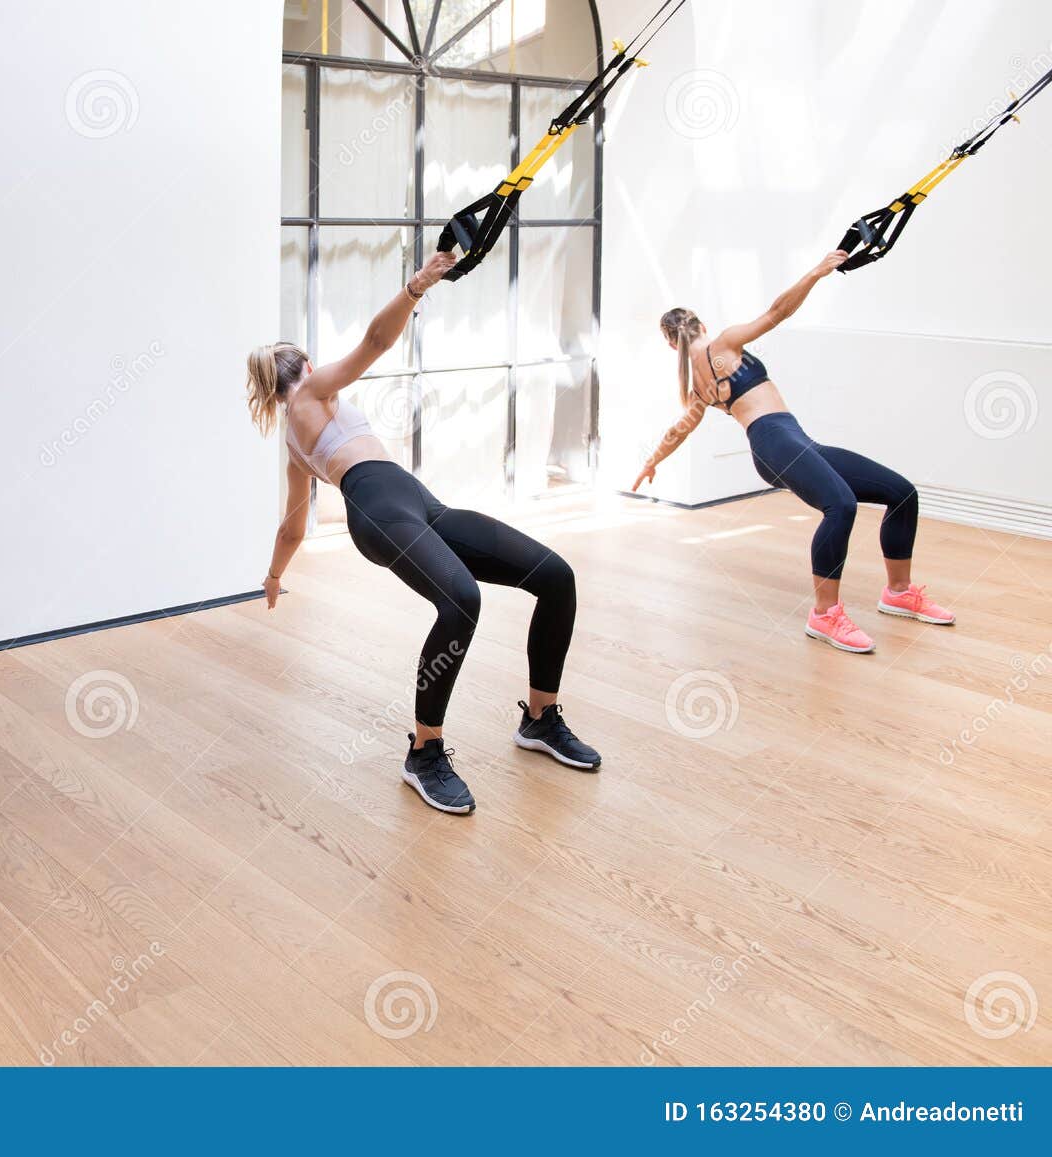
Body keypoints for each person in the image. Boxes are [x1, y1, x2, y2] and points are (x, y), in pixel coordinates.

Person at [246, 251, 601, 816]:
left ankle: (540, 719)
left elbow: (292, 525)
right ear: (307, 368)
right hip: (381, 513)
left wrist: (272, 576)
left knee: (555, 576)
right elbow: (375, 342)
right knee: (461, 600)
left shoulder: (295, 443)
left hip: (421, 504)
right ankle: (424, 751)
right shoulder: (311, 398)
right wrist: (414, 288)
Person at [636, 250, 954, 652]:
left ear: (670, 344)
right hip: (775, 441)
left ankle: (899, 592)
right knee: (841, 505)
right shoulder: (723, 342)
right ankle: (824, 615)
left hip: (792, 441)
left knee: (900, 492)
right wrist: (817, 272)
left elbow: (678, 431)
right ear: (700, 324)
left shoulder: (695, 386)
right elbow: (776, 312)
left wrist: (651, 461)